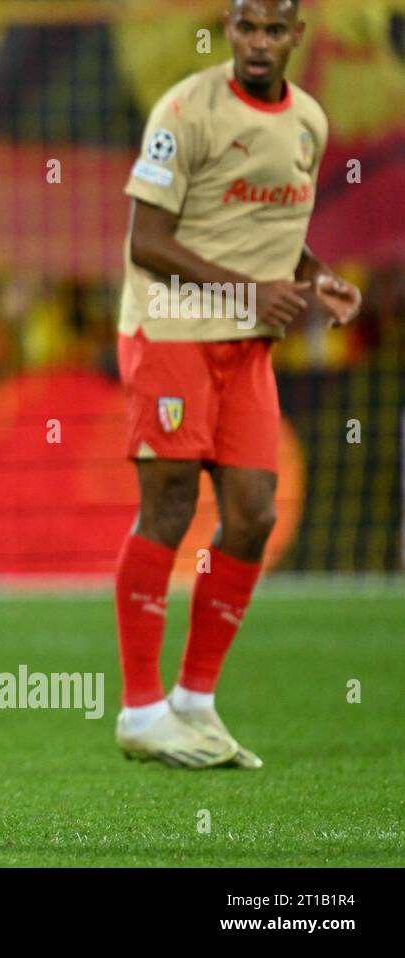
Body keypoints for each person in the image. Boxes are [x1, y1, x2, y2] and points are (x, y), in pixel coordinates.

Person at [112, 0, 360, 768]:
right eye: (245, 27)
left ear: (296, 36)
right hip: (171, 332)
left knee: (253, 516)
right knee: (173, 501)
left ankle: (194, 700)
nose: (257, 43)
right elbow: (147, 241)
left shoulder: (310, 122)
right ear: (230, 29)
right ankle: (141, 709)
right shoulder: (184, 109)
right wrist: (250, 294)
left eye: (272, 30)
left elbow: (274, 231)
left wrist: (317, 276)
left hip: (245, 348)